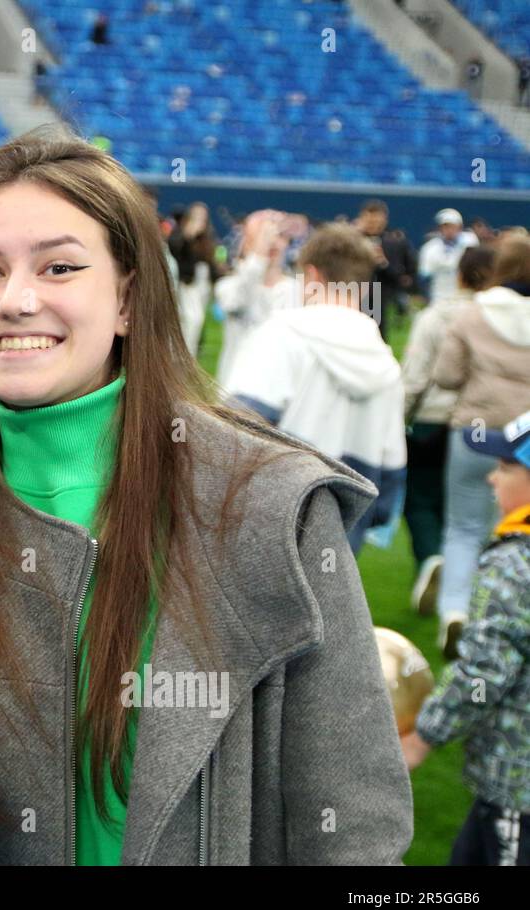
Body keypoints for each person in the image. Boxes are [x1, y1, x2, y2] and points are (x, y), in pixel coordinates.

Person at [0, 128, 411, 865]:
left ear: (128, 301)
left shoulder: (273, 506)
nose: (16, 300)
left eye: (61, 267)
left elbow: (357, 833)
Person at [222, 223, 408, 554]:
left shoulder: (281, 333)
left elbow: (236, 429)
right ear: (363, 288)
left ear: (311, 276)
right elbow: (390, 470)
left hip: (269, 524)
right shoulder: (387, 364)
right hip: (343, 530)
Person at [403, 408, 530, 865]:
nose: (493, 480)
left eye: (506, 467)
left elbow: (484, 671)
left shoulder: (513, 566)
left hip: (517, 793)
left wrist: (422, 738)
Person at [432, 235, 530, 658]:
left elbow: (446, 375)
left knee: (463, 528)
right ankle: (496, 617)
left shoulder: (472, 313)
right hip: (525, 440)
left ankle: (454, 611)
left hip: (474, 431)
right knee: (512, 535)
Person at [401, 245, 496, 615]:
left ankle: (432, 559)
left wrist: (399, 419)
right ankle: (462, 589)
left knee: (421, 500)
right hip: (485, 425)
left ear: (458, 275)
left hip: (433, 419)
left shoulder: (436, 316)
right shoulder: (505, 320)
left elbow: (416, 376)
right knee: (470, 513)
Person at [211, 209, 299, 381]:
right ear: (246, 243)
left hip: (280, 390)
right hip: (237, 388)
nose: (272, 242)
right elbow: (238, 299)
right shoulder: (227, 287)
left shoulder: (297, 290)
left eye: (280, 235)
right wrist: (259, 253)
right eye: (262, 235)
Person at [167, 202, 224, 361]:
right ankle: (182, 355)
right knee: (191, 319)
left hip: (202, 284)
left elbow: (210, 262)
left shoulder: (206, 239)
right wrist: (188, 236)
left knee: (197, 321)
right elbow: (176, 252)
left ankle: (189, 355)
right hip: (187, 283)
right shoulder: (180, 235)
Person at [354, 198, 415, 338]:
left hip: (382, 297)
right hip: (354, 294)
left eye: (376, 221)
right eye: (369, 221)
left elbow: (401, 275)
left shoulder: (394, 242)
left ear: (384, 220)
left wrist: (383, 262)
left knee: (377, 337)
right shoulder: (352, 241)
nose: (372, 225)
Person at [418, 208, 478, 303]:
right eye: (445, 226)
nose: (449, 230)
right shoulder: (430, 248)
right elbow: (425, 274)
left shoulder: (470, 242)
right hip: (439, 297)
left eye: (452, 226)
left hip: (464, 297)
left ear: (460, 227)